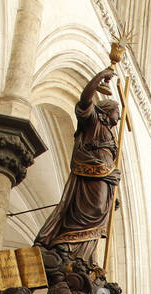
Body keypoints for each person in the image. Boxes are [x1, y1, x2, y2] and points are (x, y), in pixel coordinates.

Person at [34, 67, 123, 261]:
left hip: (105, 177)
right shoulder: (93, 122)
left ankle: (82, 255)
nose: (119, 116)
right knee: (94, 208)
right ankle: (66, 243)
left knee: (102, 210)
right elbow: (85, 100)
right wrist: (99, 78)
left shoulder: (110, 133)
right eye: (117, 111)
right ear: (107, 111)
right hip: (92, 175)